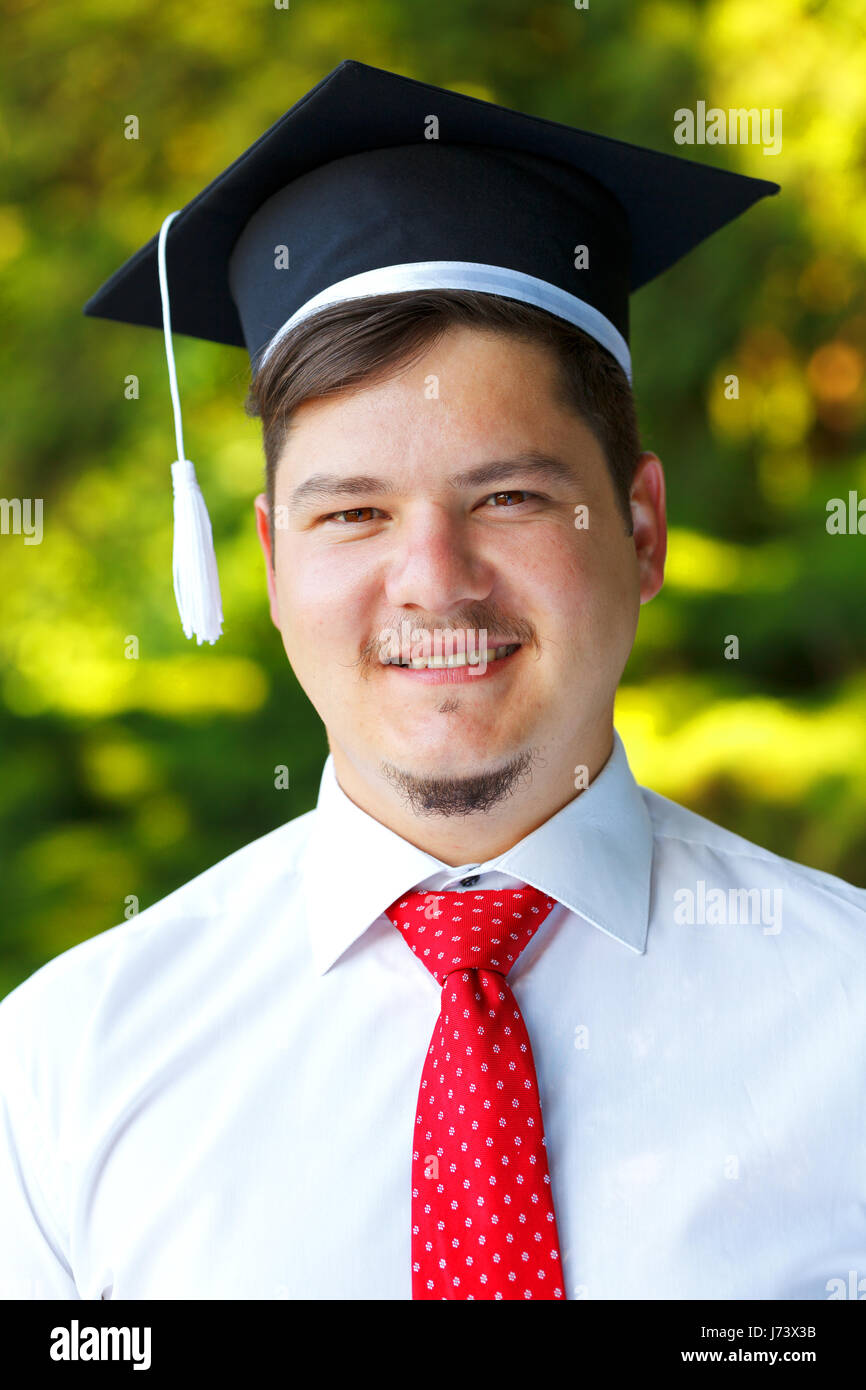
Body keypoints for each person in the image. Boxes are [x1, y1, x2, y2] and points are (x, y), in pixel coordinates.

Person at [2, 60, 863, 1301]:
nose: (432, 581)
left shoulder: (845, 1022)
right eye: (351, 512)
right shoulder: (63, 1071)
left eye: (507, 496)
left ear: (640, 530)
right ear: (270, 556)